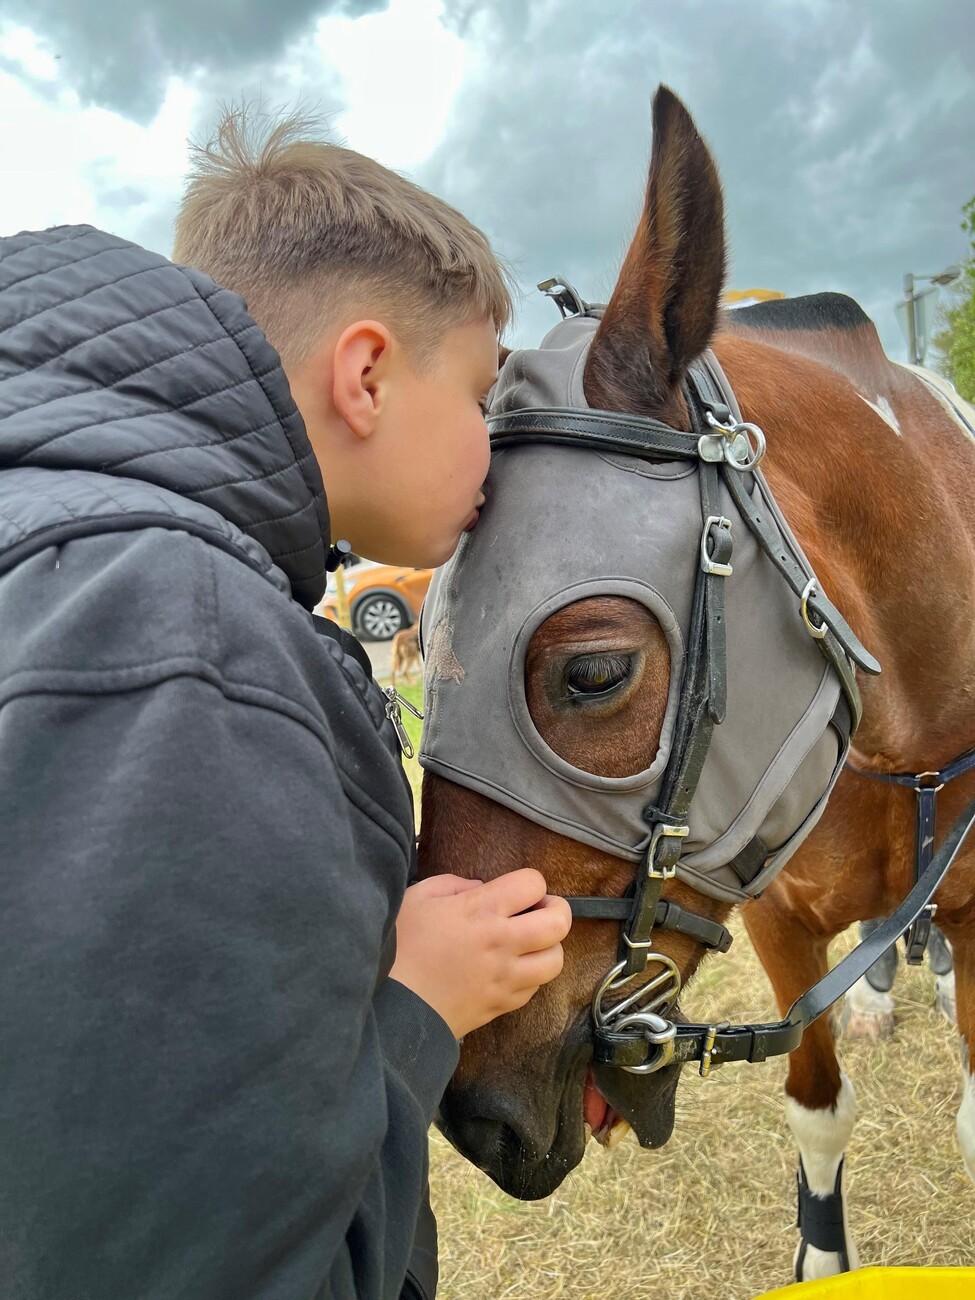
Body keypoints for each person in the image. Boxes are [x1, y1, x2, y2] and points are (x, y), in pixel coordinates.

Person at [0, 108, 571, 1298]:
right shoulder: (181, 648)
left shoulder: (76, 555)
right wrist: (418, 1009)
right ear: (364, 374)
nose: (493, 453)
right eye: (478, 394)